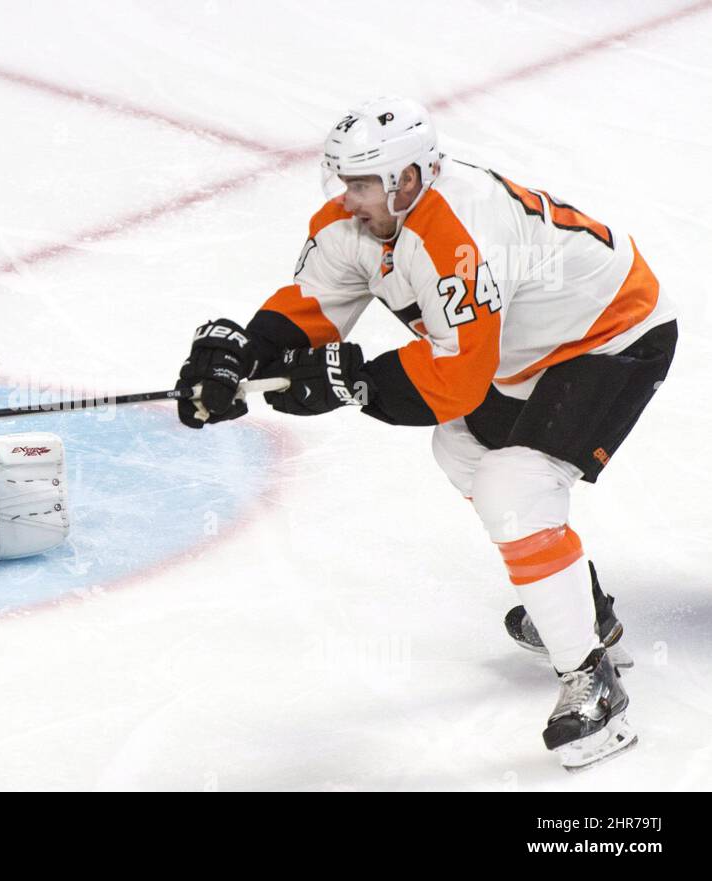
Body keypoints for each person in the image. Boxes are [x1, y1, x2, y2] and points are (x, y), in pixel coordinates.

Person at [175, 96, 677, 770]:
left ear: (408, 178)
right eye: (342, 182)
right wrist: (239, 361)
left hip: (616, 332)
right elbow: (311, 310)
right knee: (460, 448)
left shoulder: (458, 233)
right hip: (533, 351)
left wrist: (352, 382)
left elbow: (458, 381)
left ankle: (593, 678)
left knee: (512, 484)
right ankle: (575, 606)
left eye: (361, 184)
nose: (347, 199)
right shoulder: (355, 223)